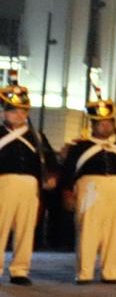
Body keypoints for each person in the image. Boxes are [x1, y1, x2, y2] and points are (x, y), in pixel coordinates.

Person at [59, 98, 116, 285]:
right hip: (91, 189)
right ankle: (84, 272)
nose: (105, 126)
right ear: (93, 125)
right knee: (88, 230)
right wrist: (67, 192)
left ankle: (111, 272)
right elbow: (69, 171)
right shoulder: (80, 147)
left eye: (108, 122)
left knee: (115, 232)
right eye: (101, 123)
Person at [1, 81, 58, 284]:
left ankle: (19, 270)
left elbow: (50, 159)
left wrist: (51, 176)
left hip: (30, 186)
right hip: (3, 183)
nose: (20, 115)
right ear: (4, 112)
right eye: (14, 111)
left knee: (26, 228)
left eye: (23, 111)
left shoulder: (37, 136)